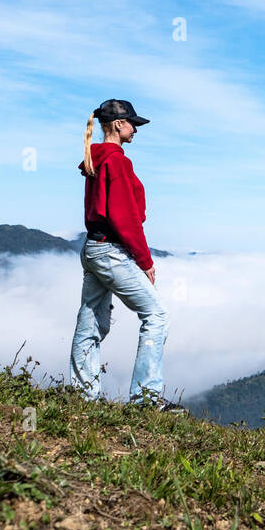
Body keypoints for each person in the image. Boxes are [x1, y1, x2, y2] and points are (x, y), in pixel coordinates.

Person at [68, 98, 173, 409]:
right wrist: (145, 261)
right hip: (112, 251)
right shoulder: (117, 162)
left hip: (93, 249)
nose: (135, 130)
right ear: (117, 124)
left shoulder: (96, 158)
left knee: (90, 322)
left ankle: (83, 397)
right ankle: (145, 398)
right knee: (156, 316)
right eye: (132, 124)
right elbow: (124, 217)